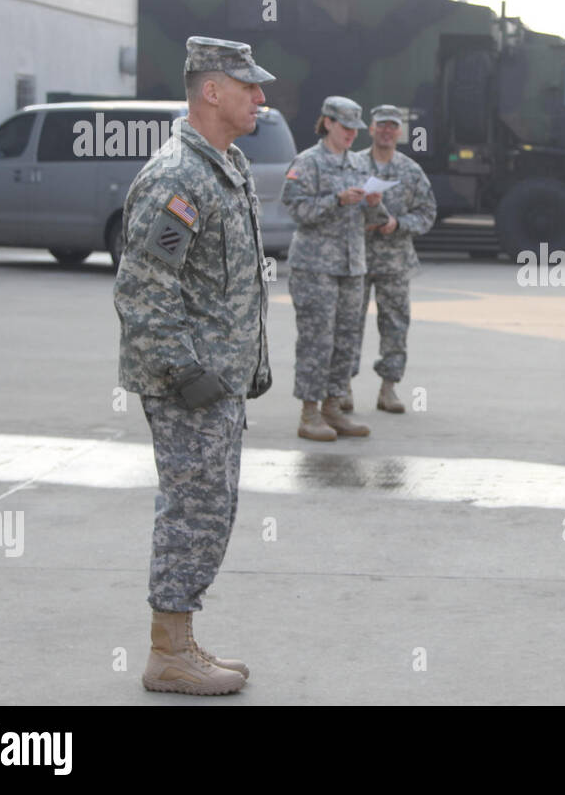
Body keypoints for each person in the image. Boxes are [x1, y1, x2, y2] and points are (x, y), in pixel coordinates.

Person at [114, 36, 275, 695]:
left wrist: (251, 364)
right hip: (190, 384)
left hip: (219, 378)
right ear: (213, 91)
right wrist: (186, 373)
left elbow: (228, 284)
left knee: (213, 510)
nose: (261, 97)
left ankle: (179, 640)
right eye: (249, 87)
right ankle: (168, 653)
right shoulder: (179, 176)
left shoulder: (223, 165)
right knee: (192, 513)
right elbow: (143, 285)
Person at [282, 97, 385, 440]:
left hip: (351, 265)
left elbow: (372, 221)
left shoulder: (358, 164)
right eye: (345, 128)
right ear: (327, 123)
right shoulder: (307, 162)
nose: (351, 136)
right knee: (317, 340)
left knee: (346, 340)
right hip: (315, 267)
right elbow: (296, 210)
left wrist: (373, 205)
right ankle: (309, 413)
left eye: (355, 130)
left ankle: (334, 407)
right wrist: (336, 200)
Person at [341, 105, 437, 414]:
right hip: (356, 258)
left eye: (392, 126)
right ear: (371, 129)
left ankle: (388, 388)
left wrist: (399, 224)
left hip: (394, 262)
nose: (386, 131)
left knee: (395, 324)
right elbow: (338, 205)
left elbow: (427, 213)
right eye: (381, 125)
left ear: (399, 132)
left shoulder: (410, 171)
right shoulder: (353, 165)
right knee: (348, 324)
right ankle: (342, 388)